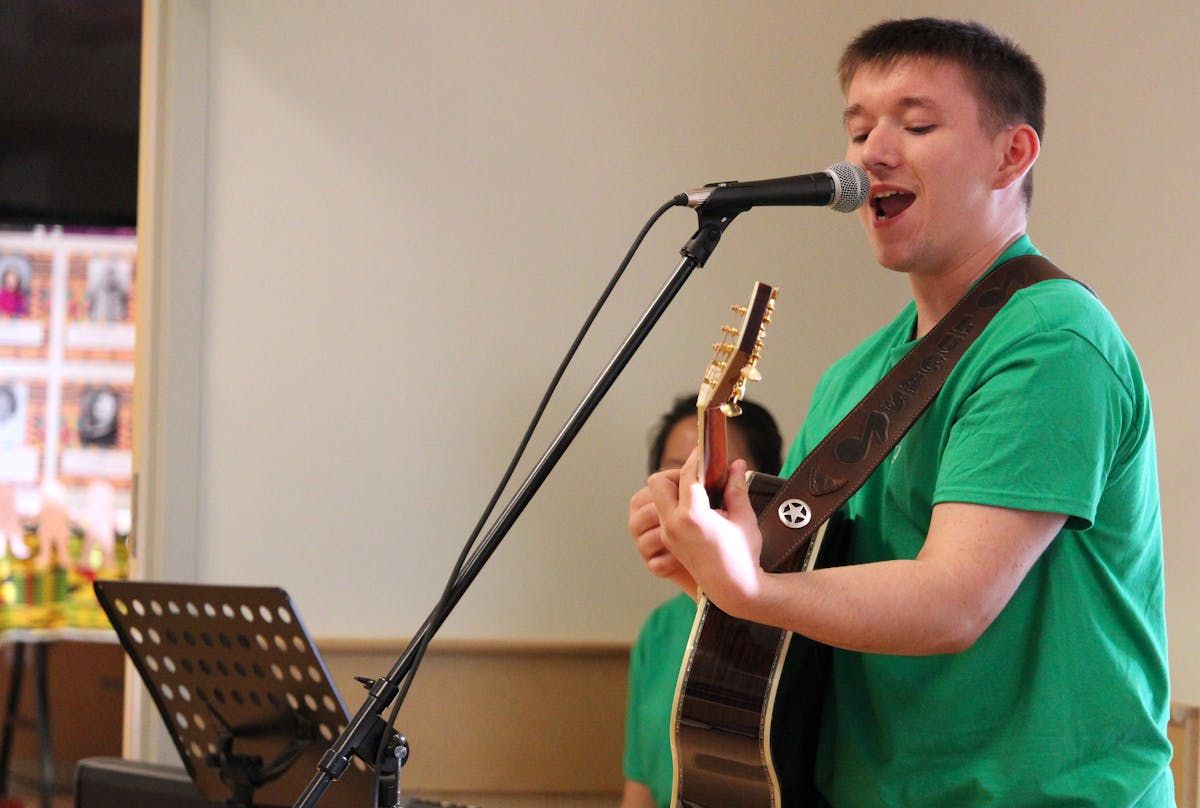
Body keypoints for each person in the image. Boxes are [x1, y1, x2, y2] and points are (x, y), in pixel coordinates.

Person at [628, 17, 1172, 806]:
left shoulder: (1052, 338)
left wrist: (747, 588)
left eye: (916, 124)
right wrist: (707, 570)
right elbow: (821, 609)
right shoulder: (851, 379)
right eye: (858, 129)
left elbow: (951, 604)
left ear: (1010, 154)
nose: (870, 153)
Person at [623, 395, 783, 808]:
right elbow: (640, 790)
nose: (692, 491)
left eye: (712, 469)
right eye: (677, 471)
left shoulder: (795, 623)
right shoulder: (659, 630)